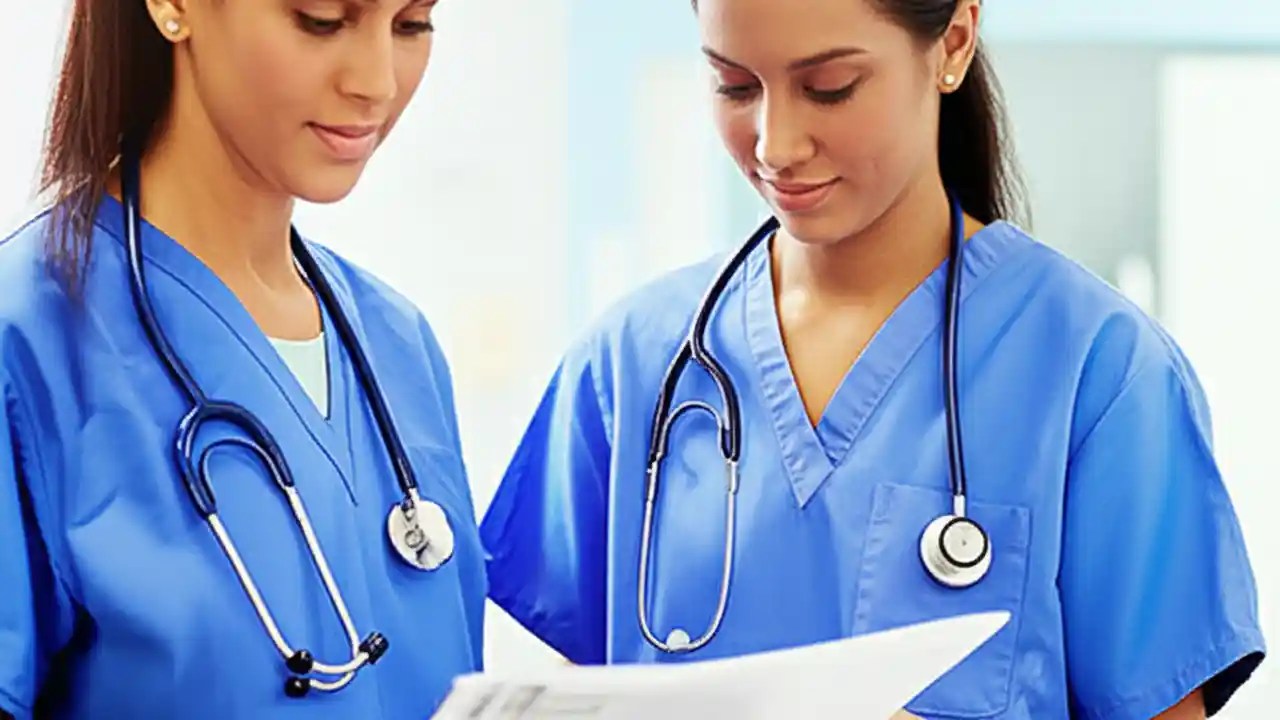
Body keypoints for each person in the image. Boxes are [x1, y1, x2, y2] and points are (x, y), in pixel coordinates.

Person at [479, 0, 1266, 717]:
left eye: (829, 88)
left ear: (953, 41)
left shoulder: (1096, 369)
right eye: (734, 86)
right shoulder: (632, 365)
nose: (774, 144)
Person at [0, 0, 486, 718]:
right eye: (321, 20)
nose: (378, 81)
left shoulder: (398, 345)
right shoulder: (30, 338)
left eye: (411, 23)